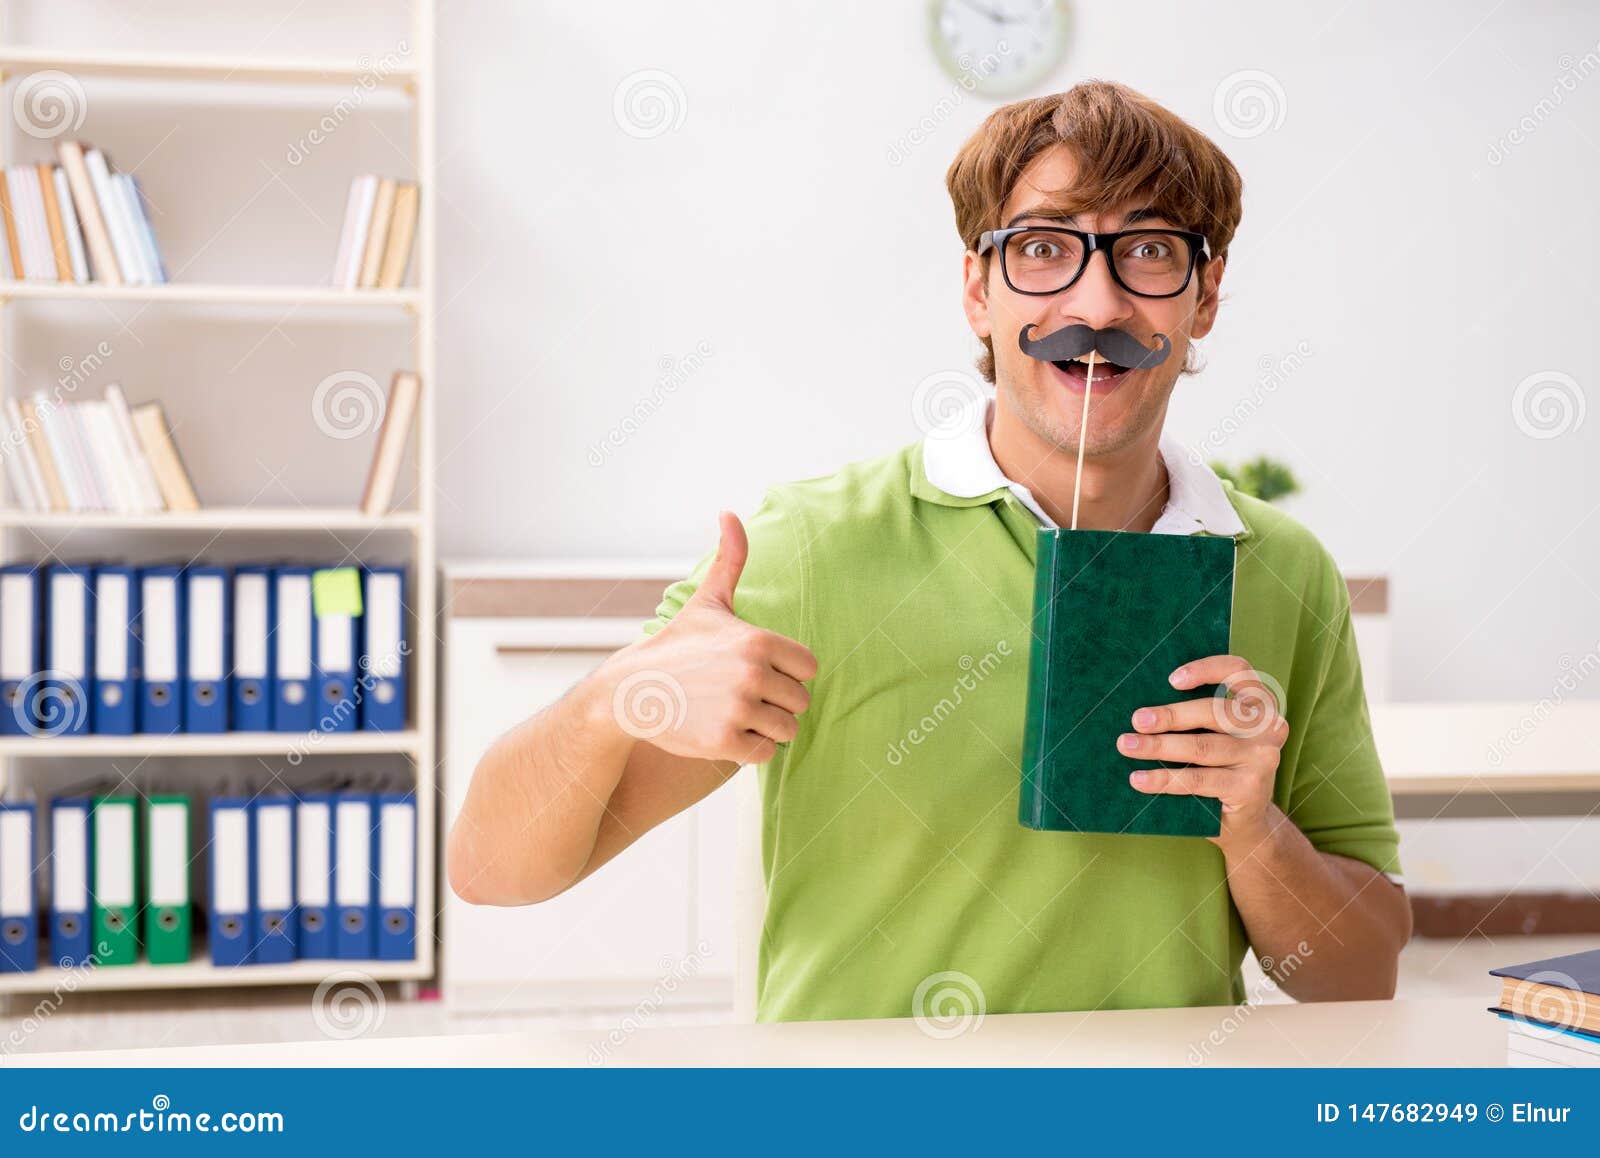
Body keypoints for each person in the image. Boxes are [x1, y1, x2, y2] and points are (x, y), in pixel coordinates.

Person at [448, 80, 1411, 1022]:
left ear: (1203, 297)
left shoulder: (1282, 567)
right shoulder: (814, 548)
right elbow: (493, 873)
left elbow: (1361, 982)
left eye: (1149, 252)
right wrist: (617, 696)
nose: (1100, 301)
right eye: (1043, 249)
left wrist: (1252, 827)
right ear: (976, 288)